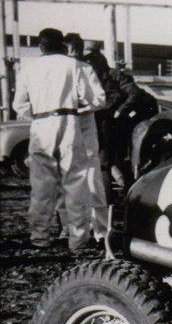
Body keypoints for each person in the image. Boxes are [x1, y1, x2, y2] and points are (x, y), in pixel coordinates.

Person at [12, 28, 101, 251]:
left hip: (41, 124)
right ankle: (78, 240)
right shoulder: (76, 66)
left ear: (41, 46)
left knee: (41, 186)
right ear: (61, 44)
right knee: (75, 182)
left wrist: (39, 115)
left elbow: (19, 105)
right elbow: (92, 99)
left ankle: (40, 237)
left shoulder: (29, 69)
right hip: (69, 121)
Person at [64, 33, 109, 240]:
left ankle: (101, 230)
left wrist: (81, 108)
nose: (72, 54)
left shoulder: (86, 69)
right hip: (65, 130)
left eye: (74, 50)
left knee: (92, 179)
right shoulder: (60, 71)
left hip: (85, 130)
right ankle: (72, 229)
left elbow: (100, 100)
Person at [104, 69, 158, 186]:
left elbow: (135, 93)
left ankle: (129, 180)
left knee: (126, 149)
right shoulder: (103, 76)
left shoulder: (113, 75)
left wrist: (119, 110)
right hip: (127, 114)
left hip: (140, 111)